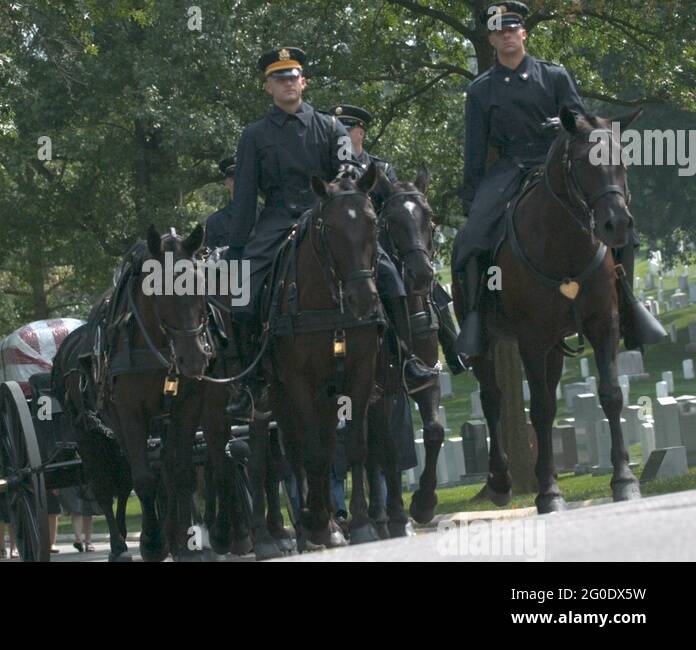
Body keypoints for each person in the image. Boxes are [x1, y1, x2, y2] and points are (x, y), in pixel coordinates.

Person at [224, 46, 435, 419]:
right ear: (268, 86)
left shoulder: (331, 127)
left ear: (303, 81)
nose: (288, 83)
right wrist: (238, 249)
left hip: (326, 216)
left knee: (388, 275)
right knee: (239, 290)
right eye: (279, 78)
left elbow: (349, 173)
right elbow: (243, 197)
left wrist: (337, 204)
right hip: (276, 222)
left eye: (293, 76)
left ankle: (406, 360)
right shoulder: (253, 136)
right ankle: (253, 382)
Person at [453, 2, 657, 356]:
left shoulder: (555, 75)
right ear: (492, 39)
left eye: (513, 29)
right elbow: (474, 149)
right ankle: (474, 319)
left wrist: (564, 125)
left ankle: (627, 305)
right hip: (510, 166)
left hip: (557, 161)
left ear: (523, 33)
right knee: (473, 236)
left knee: (621, 224)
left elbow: (581, 125)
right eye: (500, 32)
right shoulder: (480, 90)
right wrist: (473, 197)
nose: (508, 36)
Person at [330, 103, 441, 392]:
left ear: (361, 133)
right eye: (338, 128)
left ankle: (418, 356)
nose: (343, 134)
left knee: (423, 288)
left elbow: (397, 211)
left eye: (348, 128)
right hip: (344, 249)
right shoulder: (327, 168)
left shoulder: (380, 169)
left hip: (378, 247)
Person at [205, 156, 237, 249]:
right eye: (234, 179)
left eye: (244, 177)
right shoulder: (215, 222)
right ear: (226, 183)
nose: (240, 182)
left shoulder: (267, 217)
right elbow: (207, 258)